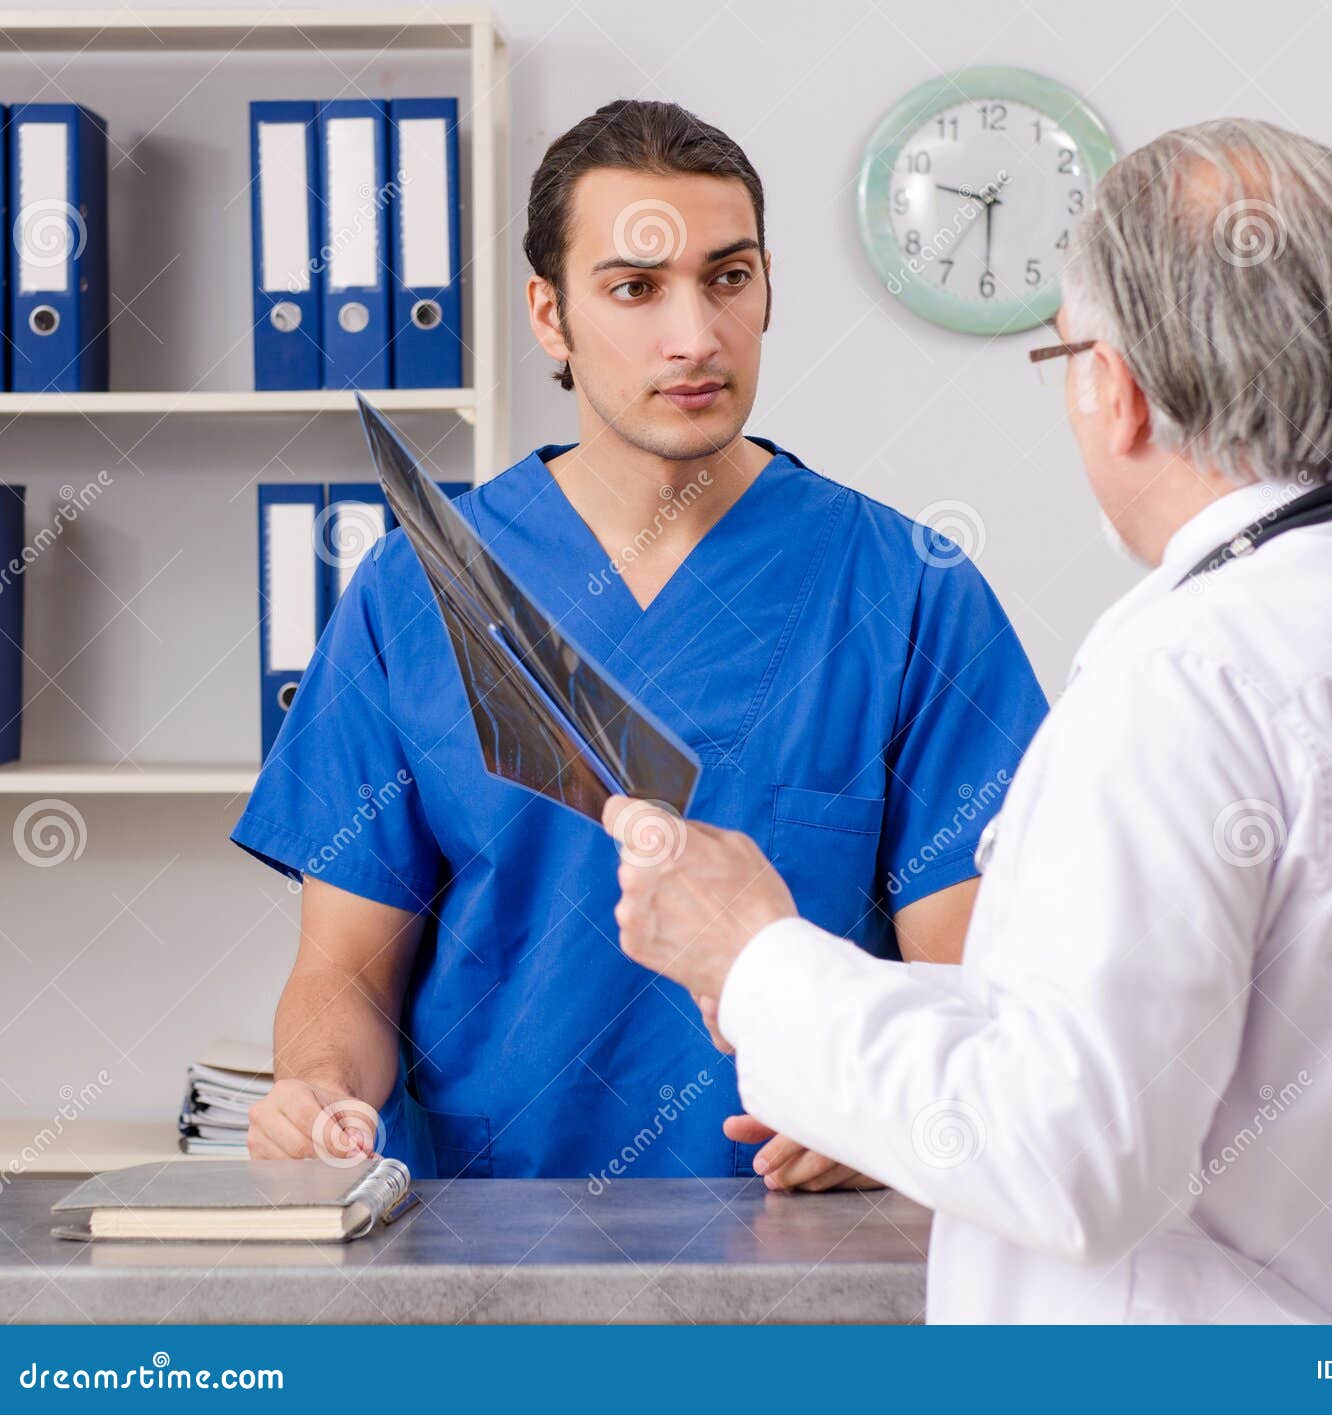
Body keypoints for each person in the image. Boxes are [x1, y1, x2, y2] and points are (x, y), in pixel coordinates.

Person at [606, 117, 1332, 1323]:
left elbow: (1073, 1155)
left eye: (1065, 355)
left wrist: (753, 956)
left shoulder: (1195, 671)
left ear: (1113, 388)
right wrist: (841, 1046)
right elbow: (1219, 1031)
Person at [231, 100, 1047, 1186]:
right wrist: (320, 1090)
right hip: (482, 1254)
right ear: (550, 315)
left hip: (811, 1257)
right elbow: (347, 974)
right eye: (634, 288)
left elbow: (977, 988)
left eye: (728, 277)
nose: (695, 338)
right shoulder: (414, 591)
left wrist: (892, 1114)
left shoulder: (907, 591)